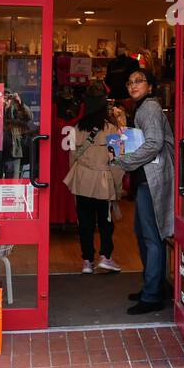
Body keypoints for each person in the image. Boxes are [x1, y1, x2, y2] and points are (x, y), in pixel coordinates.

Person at [112, 68, 175, 314]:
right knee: (144, 234)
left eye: (139, 81)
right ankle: (153, 285)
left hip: (151, 179)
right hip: (145, 180)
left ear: (150, 86)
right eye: (129, 81)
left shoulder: (149, 107)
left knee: (151, 237)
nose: (133, 85)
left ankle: (152, 296)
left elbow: (154, 143)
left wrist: (125, 161)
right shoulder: (143, 108)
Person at [62, 93, 123, 275]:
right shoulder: (112, 129)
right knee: (105, 222)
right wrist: (118, 188)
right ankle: (105, 257)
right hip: (103, 181)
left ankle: (87, 261)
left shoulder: (75, 128)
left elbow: (72, 158)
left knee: (85, 223)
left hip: (82, 180)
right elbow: (117, 162)